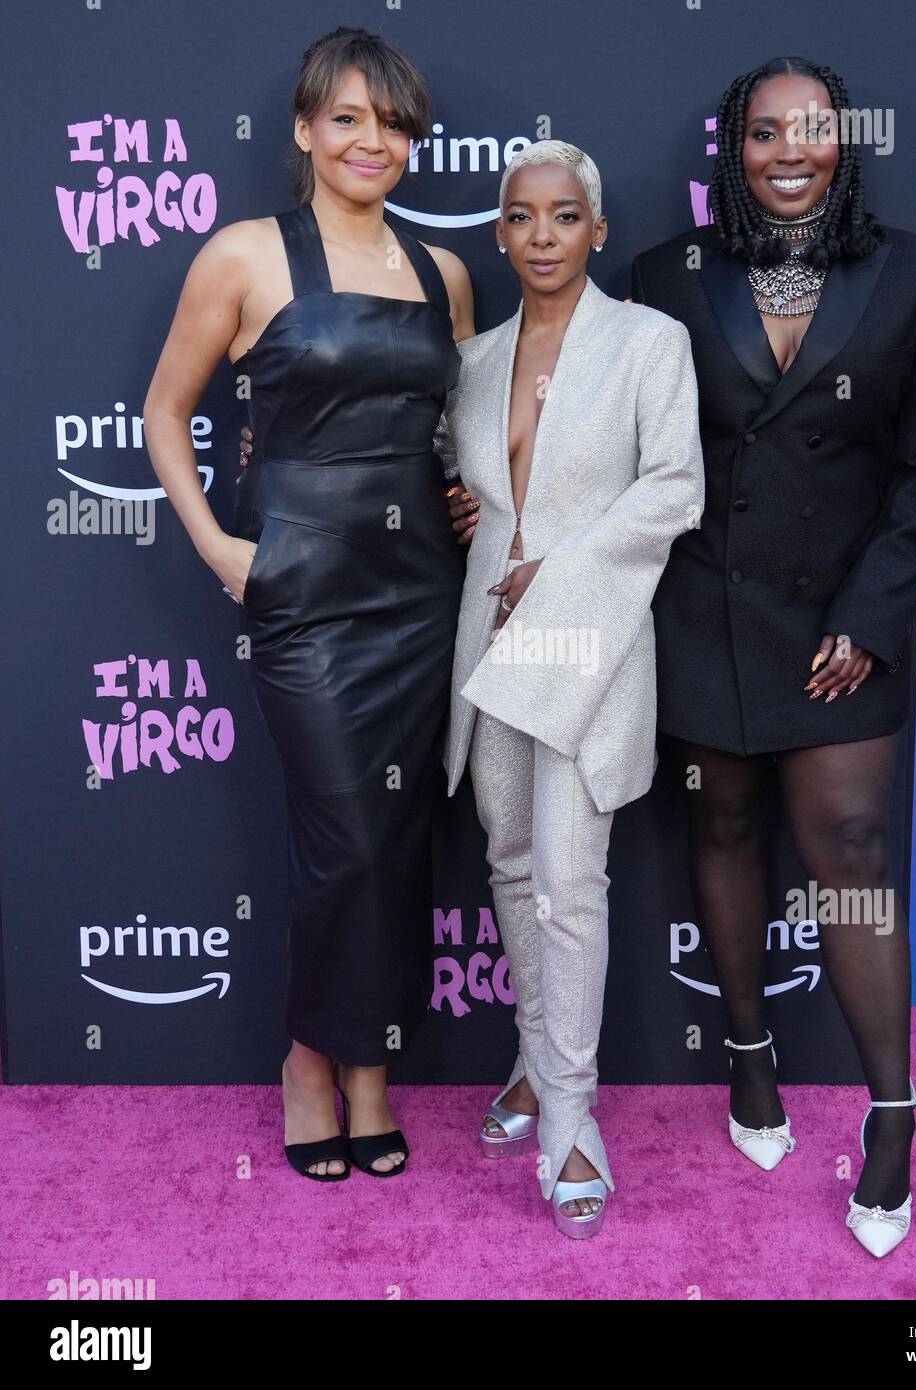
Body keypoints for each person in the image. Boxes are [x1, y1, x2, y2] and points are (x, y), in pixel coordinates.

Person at [631, 57, 916, 1257]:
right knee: (718, 825)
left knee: (851, 847)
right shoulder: (668, 275)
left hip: (841, 622)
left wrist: (869, 620)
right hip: (703, 616)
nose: (787, 150)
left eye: (809, 130)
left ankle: (890, 1113)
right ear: (734, 148)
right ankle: (749, 1056)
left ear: (842, 141)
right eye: (764, 132)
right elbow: (613, 435)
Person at [144, 27, 474, 1182]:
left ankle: (372, 1068)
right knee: (342, 837)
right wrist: (222, 550)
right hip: (303, 590)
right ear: (303, 129)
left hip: (421, 592)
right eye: (345, 118)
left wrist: (478, 507)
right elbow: (163, 414)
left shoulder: (445, 273)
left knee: (396, 836)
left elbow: (463, 431)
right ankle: (308, 1060)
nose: (368, 141)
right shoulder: (242, 255)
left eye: (389, 123)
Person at [439, 141, 704, 1238]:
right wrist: (477, 513)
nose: (541, 234)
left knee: (566, 880)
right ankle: (533, 1062)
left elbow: (673, 486)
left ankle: (573, 1119)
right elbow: (478, 492)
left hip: (585, 640)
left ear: (596, 229)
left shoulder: (649, 340)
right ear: (498, 233)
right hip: (492, 644)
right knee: (507, 858)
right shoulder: (472, 358)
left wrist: (561, 565)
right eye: (519, 216)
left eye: (563, 215)